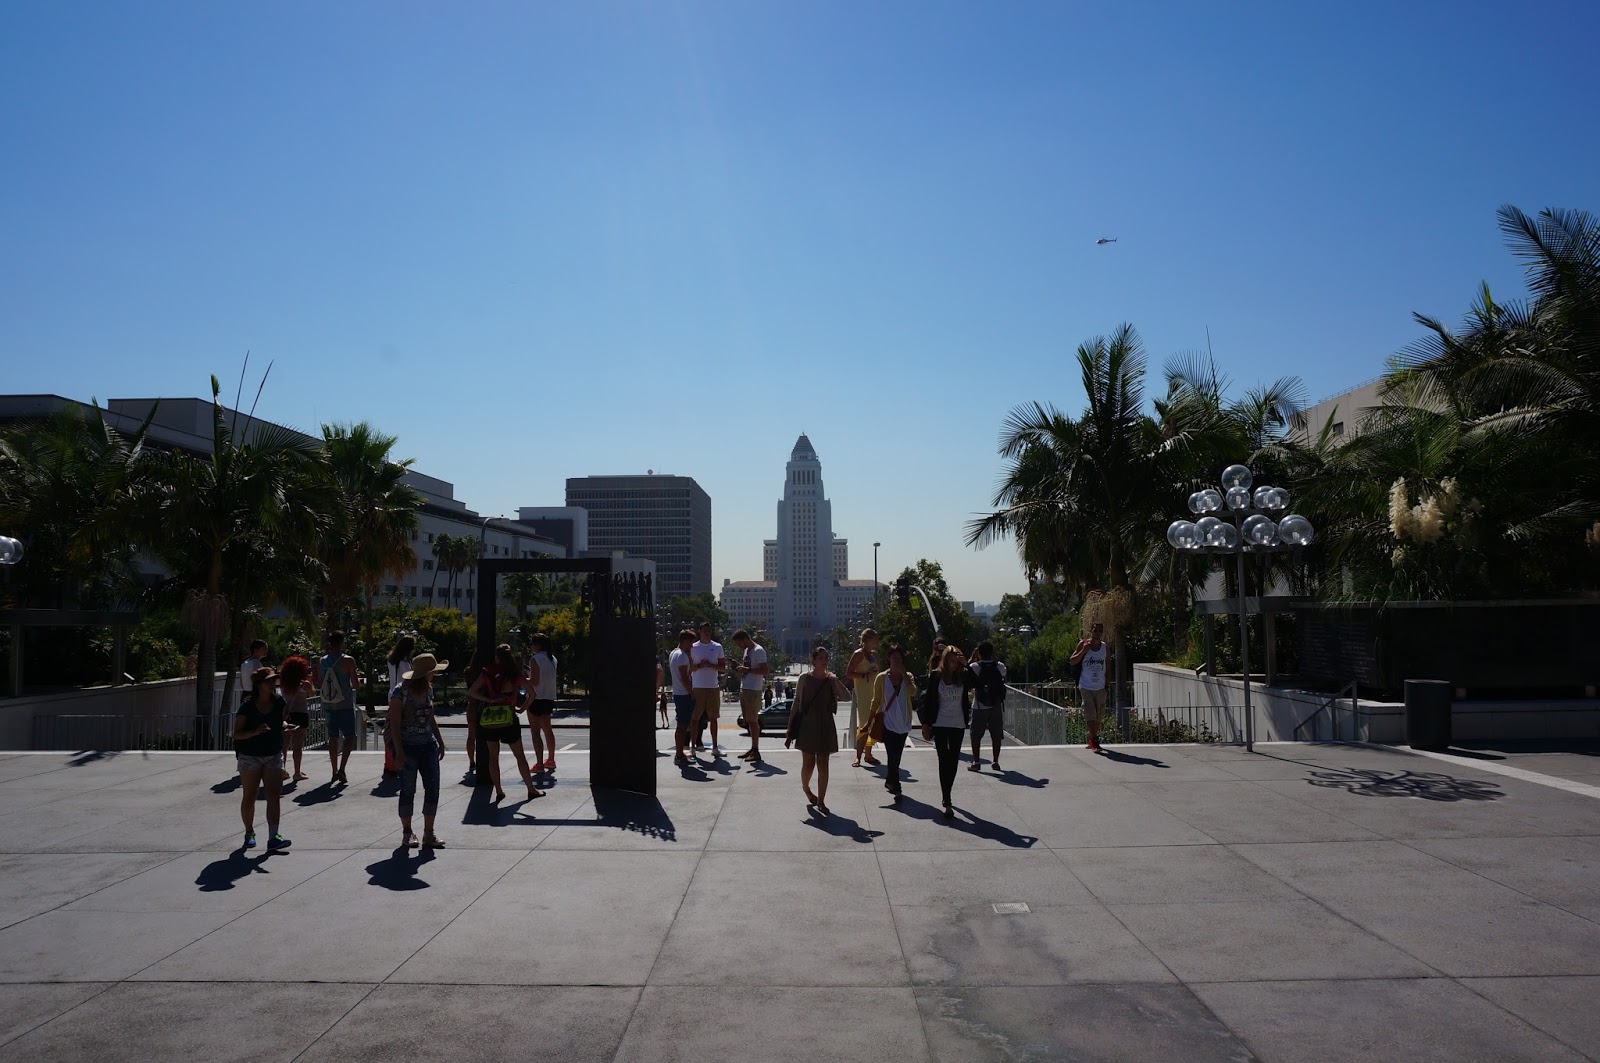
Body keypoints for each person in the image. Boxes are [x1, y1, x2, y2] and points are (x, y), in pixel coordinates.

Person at [467, 644, 543, 803]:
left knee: (493, 757)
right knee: (519, 756)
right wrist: (521, 709)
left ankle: (499, 790)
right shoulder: (515, 674)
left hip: (491, 719)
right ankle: (531, 789)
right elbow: (532, 694)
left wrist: (490, 700)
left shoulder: (487, 672)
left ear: (497, 657)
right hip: (509, 717)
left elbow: (472, 691)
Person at [389, 652, 448, 848]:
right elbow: (395, 724)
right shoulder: (400, 692)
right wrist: (398, 752)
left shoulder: (428, 690)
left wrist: (439, 740)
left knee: (433, 788)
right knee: (408, 790)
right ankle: (407, 832)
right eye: (432, 672)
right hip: (408, 746)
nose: (434, 675)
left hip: (427, 745)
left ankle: (428, 833)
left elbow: (430, 717)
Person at [784, 645, 850, 815]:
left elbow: (847, 697)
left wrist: (836, 681)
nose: (824, 660)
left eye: (826, 657)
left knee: (823, 763)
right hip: (807, 724)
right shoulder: (804, 678)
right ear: (813, 661)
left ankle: (821, 800)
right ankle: (806, 789)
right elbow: (796, 703)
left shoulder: (831, 680)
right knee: (808, 764)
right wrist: (790, 728)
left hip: (826, 724)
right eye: (820, 657)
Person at [233, 666, 291, 850]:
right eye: (269, 680)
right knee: (249, 796)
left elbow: (279, 721)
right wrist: (254, 732)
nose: (273, 683)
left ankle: (274, 836)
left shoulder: (279, 702)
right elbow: (237, 734)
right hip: (250, 755)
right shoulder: (247, 706)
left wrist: (284, 726)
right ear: (259, 684)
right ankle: (249, 832)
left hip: (273, 753)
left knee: (273, 795)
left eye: (274, 680)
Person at [918, 645, 975, 818]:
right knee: (943, 759)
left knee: (953, 760)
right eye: (951, 661)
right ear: (945, 660)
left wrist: (967, 665)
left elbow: (977, 683)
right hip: (941, 723)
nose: (953, 664)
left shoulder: (962, 675)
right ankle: (947, 797)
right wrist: (926, 724)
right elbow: (929, 700)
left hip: (957, 723)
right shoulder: (936, 675)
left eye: (956, 661)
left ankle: (948, 790)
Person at [870, 644, 915, 802]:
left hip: (903, 722)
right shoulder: (881, 678)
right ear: (888, 659)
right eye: (893, 657)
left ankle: (890, 780)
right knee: (892, 754)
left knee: (897, 755)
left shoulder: (907, 675)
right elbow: (876, 700)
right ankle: (896, 787)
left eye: (899, 658)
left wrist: (905, 677)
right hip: (888, 723)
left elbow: (912, 692)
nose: (896, 660)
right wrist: (869, 720)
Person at [319, 632, 359, 785]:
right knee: (349, 736)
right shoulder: (348, 660)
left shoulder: (322, 661)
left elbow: (321, 683)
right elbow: (355, 684)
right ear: (342, 642)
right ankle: (342, 769)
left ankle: (334, 770)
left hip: (328, 705)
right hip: (345, 704)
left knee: (333, 737)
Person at [968, 641, 1008, 772]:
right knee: (996, 735)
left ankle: (976, 761)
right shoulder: (999, 666)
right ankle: (995, 761)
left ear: (979, 652)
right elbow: (1003, 673)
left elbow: (965, 673)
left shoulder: (975, 666)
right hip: (996, 704)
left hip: (979, 705)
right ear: (992, 652)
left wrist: (972, 658)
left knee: (976, 735)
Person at [1070, 622, 1110, 752]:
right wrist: (1083, 651)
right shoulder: (1083, 644)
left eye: (1100, 631)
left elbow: (1108, 667)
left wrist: (1107, 684)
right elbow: (1072, 661)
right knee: (1090, 714)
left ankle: (1092, 737)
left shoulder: (1105, 648)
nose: (1098, 633)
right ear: (1091, 631)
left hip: (1100, 686)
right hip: (1086, 685)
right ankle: (1095, 741)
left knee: (1098, 716)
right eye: (1095, 630)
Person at [688, 622, 725, 757]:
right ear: (700, 631)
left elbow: (722, 667)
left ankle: (715, 747)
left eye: (709, 630)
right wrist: (699, 665)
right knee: (695, 719)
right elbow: (691, 668)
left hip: (713, 687)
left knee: (713, 718)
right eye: (705, 631)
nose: (707, 633)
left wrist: (710, 665)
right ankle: (692, 747)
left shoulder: (717, 647)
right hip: (697, 687)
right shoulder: (693, 647)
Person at [731, 628, 768, 763]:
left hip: (753, 689)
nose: (739, 647)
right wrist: (738, 667)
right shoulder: (747, 651)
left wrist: (747, 669)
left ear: (745, 639)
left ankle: (756, 750)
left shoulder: (758, 650)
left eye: (739, 643)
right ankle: (753, 748)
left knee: (753, 721)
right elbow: (748, 669)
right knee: (749, 721)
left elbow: (765, 670)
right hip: (745, 688)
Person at [382, 634, 416, 779]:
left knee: (391, 730)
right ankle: (397, 762)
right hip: (403, 699)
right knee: (400, 732)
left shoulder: (391, 661)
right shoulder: (405, 664)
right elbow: (409, 681)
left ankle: (389, 764)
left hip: (391, 696)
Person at [846, 629, 882, 768]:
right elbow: (849, 673)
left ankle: (868, 754)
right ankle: (858, 756)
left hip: (875, 693)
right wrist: (864, 674)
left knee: (874, 724)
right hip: (864, 694)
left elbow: (881, 672)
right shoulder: (858, 654)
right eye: (874, 639)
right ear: (867, 640)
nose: (876, 642)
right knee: (864, 724)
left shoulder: (874, 655)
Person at [524, 633, 559, 772]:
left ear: (538, 645)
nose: (531, 646)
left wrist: (521, 679)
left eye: (532, 643)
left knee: (535, 732)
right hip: (548, 697)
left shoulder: (535, 658)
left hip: (536, 698)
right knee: (548, 730)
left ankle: (539, 764)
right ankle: (551, 759)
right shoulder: (552, 658)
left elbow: (534, 681)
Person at [279, 655, 313, 782]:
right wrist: (309, 683)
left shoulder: (284, 685)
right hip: (301, 714)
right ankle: (297, 772)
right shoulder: (304, 684)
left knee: (284, 745)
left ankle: (282, 769)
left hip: (287, 715)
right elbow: (312, 694)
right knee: (298, 746)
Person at [668, 630, 696, 766]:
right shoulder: (682, 656)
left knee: (681, 725)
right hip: (684, 694)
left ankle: (680, 753)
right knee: (682, 726)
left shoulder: (674, 653)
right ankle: (679, 755)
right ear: (685, 641)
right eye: (691, 643)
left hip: (678, 693)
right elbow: (685, 678)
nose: (692, 646)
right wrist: (691, 692)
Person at [239, 639, 268, 705]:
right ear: (256, 650)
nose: (266, 650)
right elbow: (260, 680)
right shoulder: (256, 663)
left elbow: (241, 683)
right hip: (254, 695)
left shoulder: (244, 663)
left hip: (245, 693)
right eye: (264, 648)